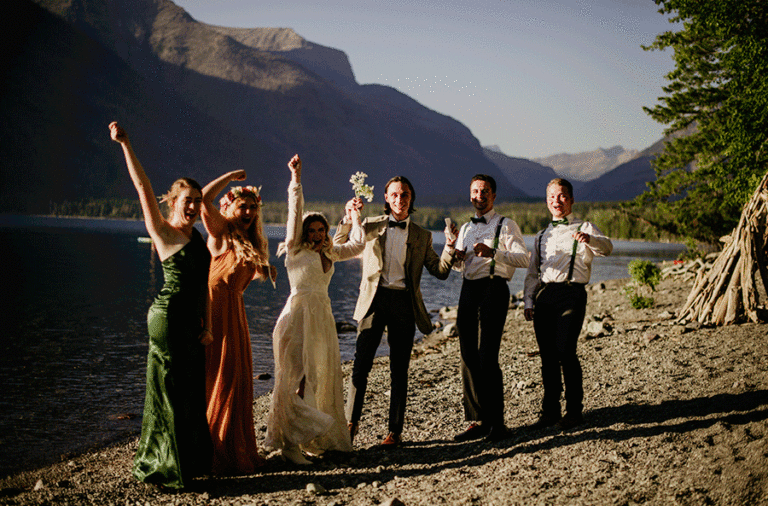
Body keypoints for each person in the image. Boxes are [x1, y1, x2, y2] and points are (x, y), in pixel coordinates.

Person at [109, 121, 212, 489]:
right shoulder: (163, 232)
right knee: (168, 391)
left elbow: (203, 287)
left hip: (191, 322)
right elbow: (143, 187)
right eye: (188, 201)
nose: (195, 206)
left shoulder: (198, 237)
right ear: (173, 202)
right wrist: (125, 144)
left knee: (190, 391)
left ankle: (189, 461)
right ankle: (165, 465)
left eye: (198, 201)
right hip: (167, 318)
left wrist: (208, 325)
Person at [335, 175, 456, 448]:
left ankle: (395, 432)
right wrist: (348, 217)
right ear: (386, 198)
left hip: (404, 304)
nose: (400, 199)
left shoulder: (423, 236)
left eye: (405, 195)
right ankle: (350, 425)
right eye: (395, 194)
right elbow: (338, 245)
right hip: (373, 301)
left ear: (411, 199)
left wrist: (449, 247)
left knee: (399, 370)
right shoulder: (369, 224)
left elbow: (440, 271)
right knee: (360, 366)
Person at [264, 155, 365, 464]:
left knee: (317, 378)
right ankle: (289, 443)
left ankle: (308, 439)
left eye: (322, 230)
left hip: (322, 319)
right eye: (313, 230)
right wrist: (295, 179)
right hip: (298, 315)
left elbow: (359, 245)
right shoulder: (295, 249)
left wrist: (355, 217)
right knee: (295, 377)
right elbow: (295, 213)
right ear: (304, 232)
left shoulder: (331, 254)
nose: (318, 234)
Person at [200, 170, 275, 475]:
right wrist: (230, 178)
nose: (248, 212)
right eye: (242, 206)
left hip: (236, 314)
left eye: (253, 207)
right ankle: (212, 449)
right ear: (229, 208)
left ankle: (234, 449)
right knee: (219, 377)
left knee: (238, 381)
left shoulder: (250, 240)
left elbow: (239, 277)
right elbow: (204, 198)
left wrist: (264, 270)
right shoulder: (220, 232)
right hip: (214, 313)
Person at [524, 178, 613, 430]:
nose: (557, 201)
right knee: (547, 356)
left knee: (565, 351)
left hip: (572, 293)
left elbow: (607, 248)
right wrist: (528, 300)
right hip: (545, 296)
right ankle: (550, 412)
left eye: (562, 196)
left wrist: (590, 240)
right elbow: (532, 272)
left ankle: (574, 412)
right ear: (547, 201)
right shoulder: (541, 235)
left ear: (571, 200)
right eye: (552, 197)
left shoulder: (585, 226)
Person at [452, 174, 530, 443]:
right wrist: (456, 255)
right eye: (475, 191)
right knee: (467, 355)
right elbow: (459, 266)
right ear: (470, 195)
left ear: (493, 196)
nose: (480, 196)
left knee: (487, 356)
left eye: (485, 191)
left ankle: (497, 424)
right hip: (468, 289)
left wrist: (493, 252)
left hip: (494, 288)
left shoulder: (507, 225)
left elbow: (524, 259)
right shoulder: (465, 228)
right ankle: (478, 420)